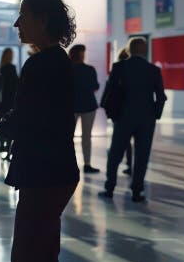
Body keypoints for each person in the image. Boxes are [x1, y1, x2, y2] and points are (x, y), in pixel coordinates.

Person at [0, 0, 79, 262]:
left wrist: (6, 124)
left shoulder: (40, 64)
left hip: (43, 173)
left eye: (23, 15)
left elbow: (29, 117)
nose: (17, 23)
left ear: (42, 20)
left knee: (27, 260)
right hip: (56, 170)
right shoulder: (58, 60)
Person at [99, 37, 166, 202]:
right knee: (142, 155)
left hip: (123, 117)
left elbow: (109, 93)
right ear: (144, 50)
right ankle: (137, 191)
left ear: (129, 49)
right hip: (146, 119)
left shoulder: (119, 67)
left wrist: (112, 114)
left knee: (115, 153)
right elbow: (161, 97)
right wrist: (155, 115)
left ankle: (110, 187)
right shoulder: (153, 70)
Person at [69, 44, 101, 174]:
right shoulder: (89, 69)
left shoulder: (67, 69)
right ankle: (87, 164)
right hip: (88, 105)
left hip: (71, 106)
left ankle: (69, 164)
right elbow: (95, 86)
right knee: (86, 136)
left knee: (68, 136)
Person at [0, 48, 18, 157]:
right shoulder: (11, 68)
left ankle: (1, 145)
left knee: (1, 123)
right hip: (10, 101)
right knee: (9, 123)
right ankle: (8, 147)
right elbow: (15, 85)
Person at [115, 48, 134, 174]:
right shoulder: (140, 71)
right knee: (129, 143)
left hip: (122, 112)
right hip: (135, 112)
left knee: (120, 143)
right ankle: (129, 164)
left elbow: (112, 93)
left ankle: (110, 184)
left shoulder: (118, 70)